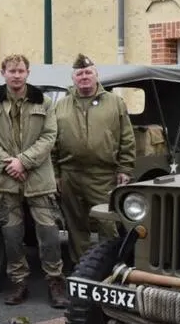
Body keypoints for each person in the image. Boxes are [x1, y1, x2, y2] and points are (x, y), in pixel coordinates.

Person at [0, 54, 69, 308]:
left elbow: (49, 136)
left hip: (38, 178)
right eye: (12, 71)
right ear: (3, 73)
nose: (16, 75)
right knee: (11, 235)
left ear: (28, 73)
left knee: (49, 233)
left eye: (21, 71)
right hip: (5, 179)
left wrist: (24, 162)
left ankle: (55, 281)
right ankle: (19, 282)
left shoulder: (44, 102)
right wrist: (9, 163)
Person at [52, 54, 137, 266]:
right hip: (70, 174)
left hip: (103, 175)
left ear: (96, 75)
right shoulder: (61, 105)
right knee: (75, 225)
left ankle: (109, 267)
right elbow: (52, 142)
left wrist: (125, 168)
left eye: (88, 72)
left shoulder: (115, 103)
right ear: (73, 78)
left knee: (107, 223)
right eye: (79, 73)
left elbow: (127, 138)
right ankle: (81, 267)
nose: (84, 77)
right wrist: (56, 174)